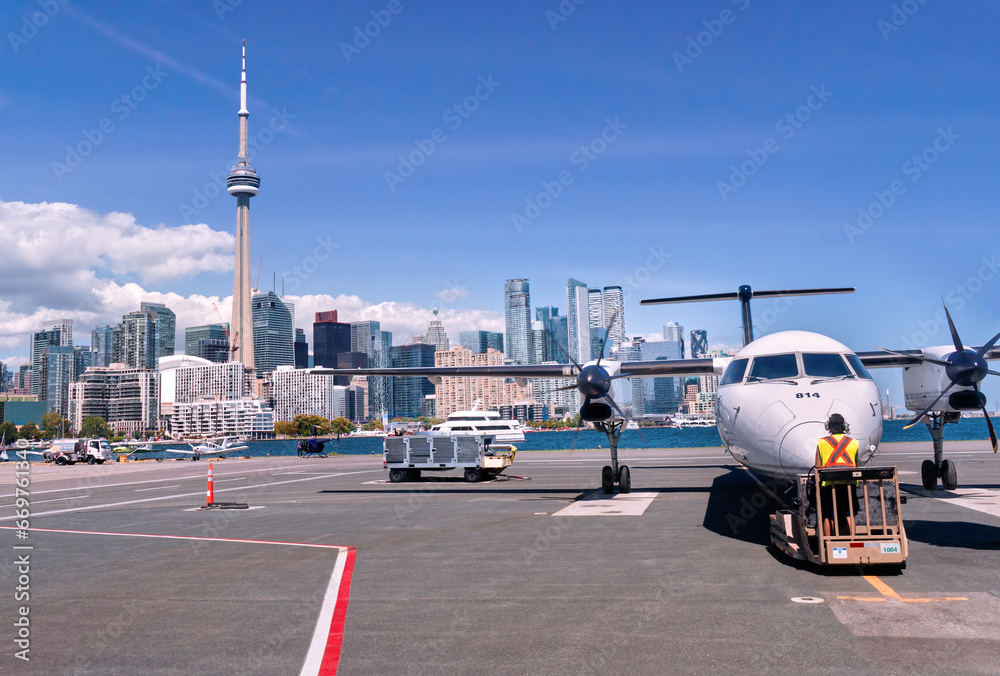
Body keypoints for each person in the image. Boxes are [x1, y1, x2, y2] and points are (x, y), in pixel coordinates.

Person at [814, 413, 859, 537]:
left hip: (829, 484)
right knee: (849, 514)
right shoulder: (854, 442)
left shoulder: (822, 442)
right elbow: (855, 463)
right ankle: (853, 541)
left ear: (828, 426)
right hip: (849, 484)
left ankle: (828, 543)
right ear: (844, 427)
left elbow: (817, 466)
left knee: (828, 515)